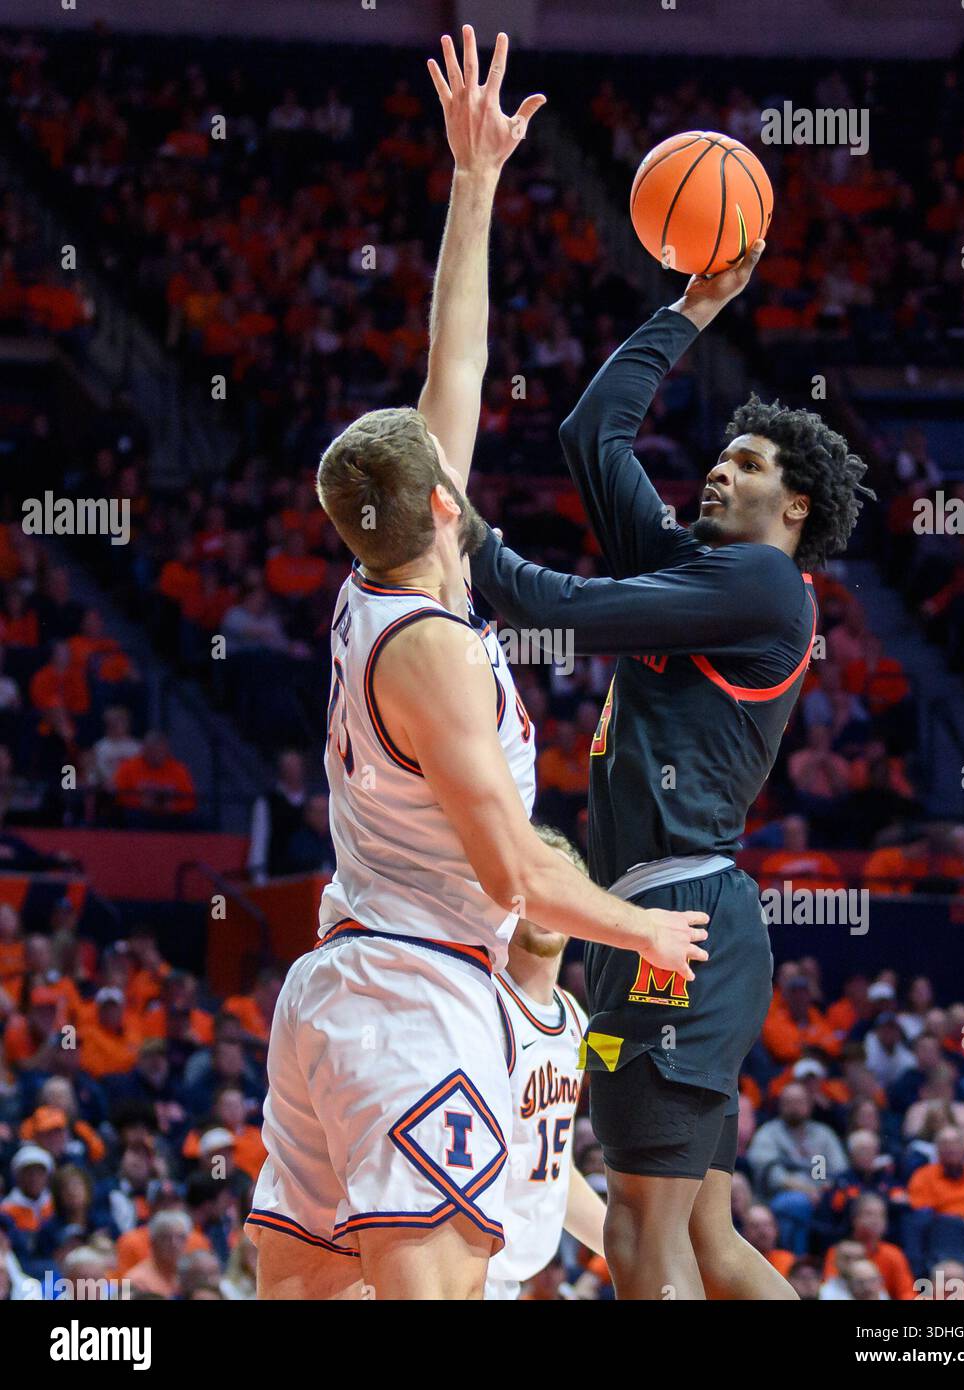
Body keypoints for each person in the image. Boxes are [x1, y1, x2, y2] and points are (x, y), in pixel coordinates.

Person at [245, 26, 707, 1304]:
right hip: (414, 996)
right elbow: (511, 874)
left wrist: (476, 181)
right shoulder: (434, 654)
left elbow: (454, 360)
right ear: (446, 506)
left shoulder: (371, 581)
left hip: (338, 990)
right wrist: (638, 927)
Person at [469, 214, 873, 1299]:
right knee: (701, 1237)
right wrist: (693, 308)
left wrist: (455, 531)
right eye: (719, 452)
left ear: (792, 505)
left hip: (672, 923)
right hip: (673, 922)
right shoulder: (703, 567)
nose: (714, 470)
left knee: (645, 1235)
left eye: (743, 463)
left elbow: (550, 601)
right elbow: (588, 434)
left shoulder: (761, 585)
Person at [484, 826, 606, 1300]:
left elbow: (553, 1170)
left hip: (508, 1280)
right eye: (531, 885)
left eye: (562, 885)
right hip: (457, 1269)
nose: (547, 900)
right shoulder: (481, 1005)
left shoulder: (575, 1019)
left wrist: (627, 1251)